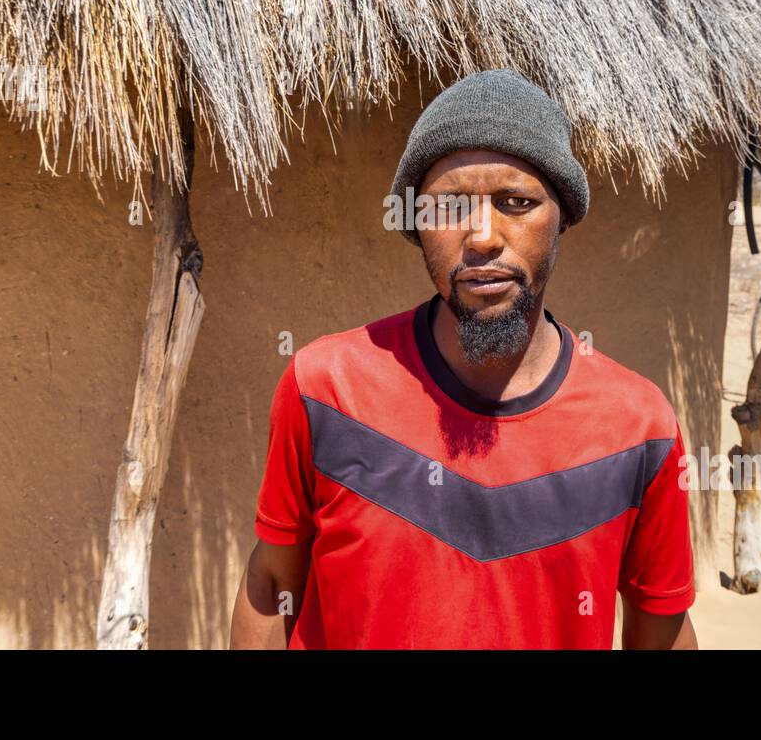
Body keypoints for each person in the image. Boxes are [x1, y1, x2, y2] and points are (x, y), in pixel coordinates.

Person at [229, 69, 697, 649]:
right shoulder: (325, 388)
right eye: (449, 207)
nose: (481, 236)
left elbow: (661, 627)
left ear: (563, 219)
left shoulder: (638, 427)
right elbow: (274, 578)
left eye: (516, 202)